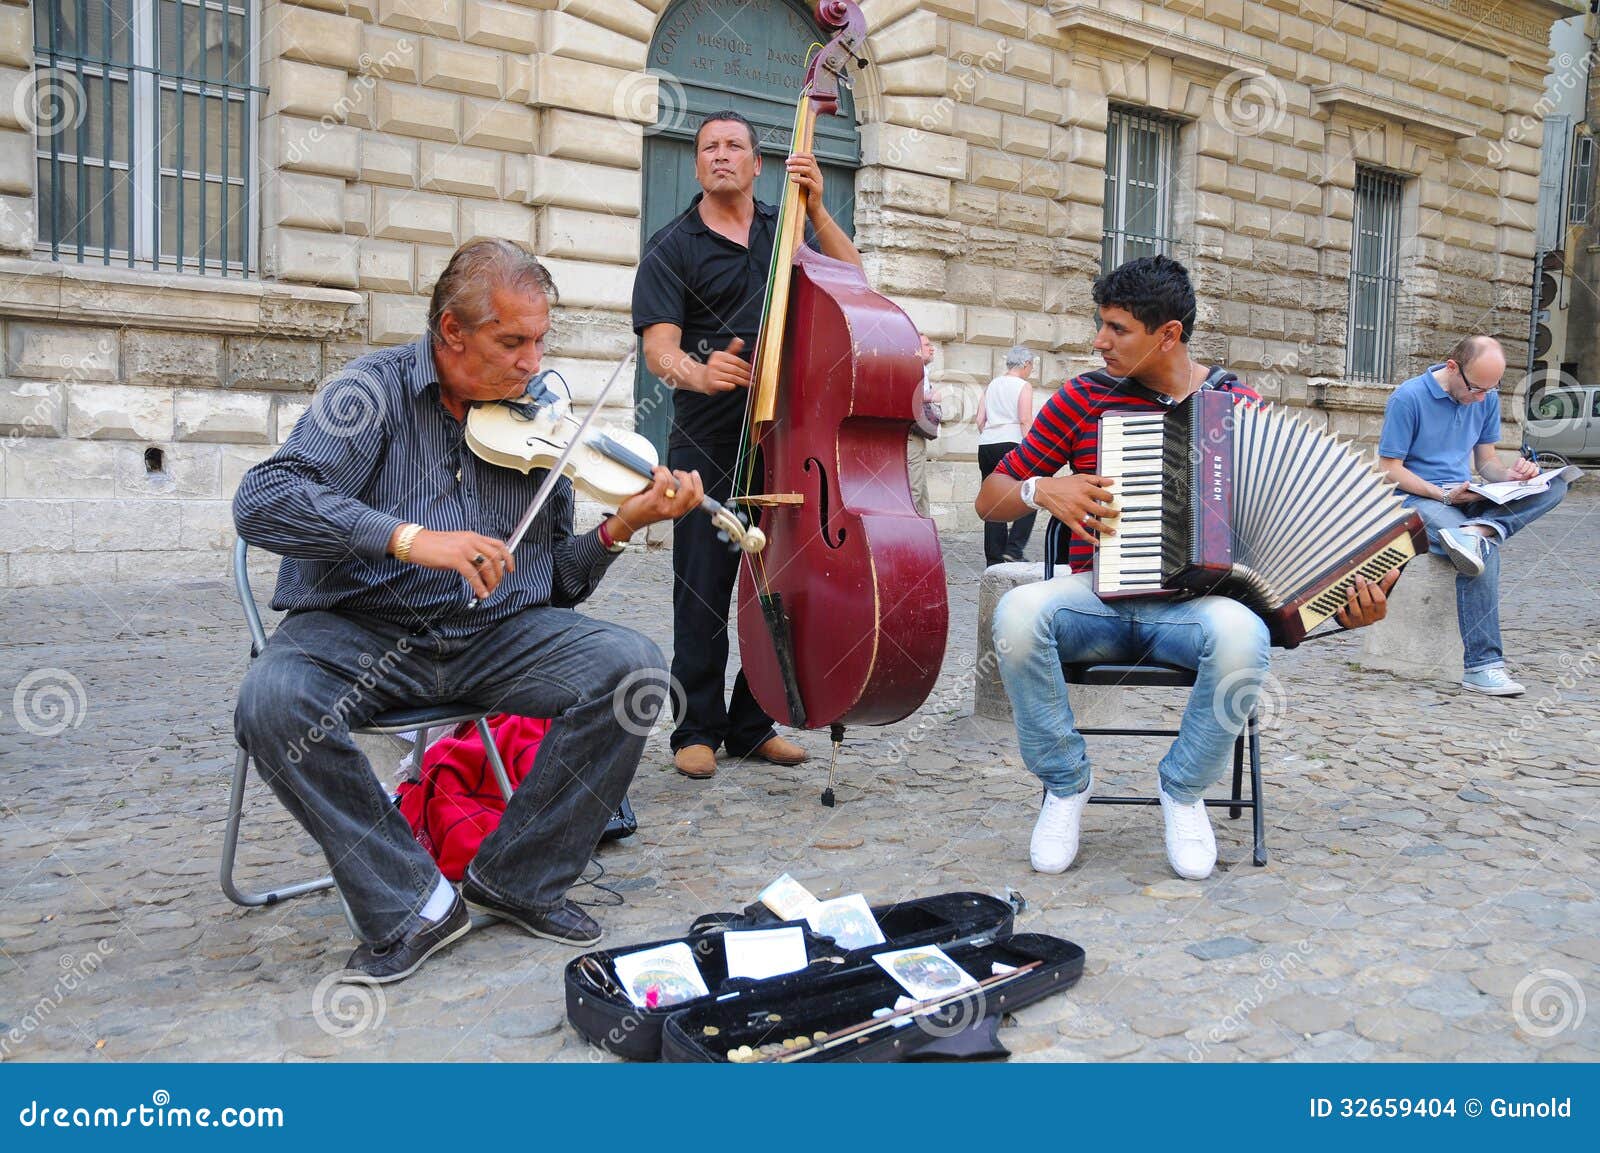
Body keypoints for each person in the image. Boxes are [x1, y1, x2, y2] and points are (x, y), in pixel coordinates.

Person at [233, 239, 704, 984]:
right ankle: (413, 903)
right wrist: (409, 539)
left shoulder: (535, 423)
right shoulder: (372, 393)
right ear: (452, 332)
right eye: (512, 341)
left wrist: (623, 526)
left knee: (633, 669)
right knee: (272, 702)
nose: (531, 362)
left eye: (540, 340)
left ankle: (517, 879)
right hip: (359, 629)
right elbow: (263, 500)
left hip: (494, 636)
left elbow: (557, 586)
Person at [976, 256, 1397, 881]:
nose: (1099, 341)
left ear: (1167, 334)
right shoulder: (1083, 397)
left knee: (1244, 635)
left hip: (1193, 612)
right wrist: (1044, 492)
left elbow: (1279, 529)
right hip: (1095, 600)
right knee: (1015, 614)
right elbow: (990, 496)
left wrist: (1350, 605)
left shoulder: (1237, 405)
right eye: (1101, 325)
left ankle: (1184, 791)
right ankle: (1066, 784)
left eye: (1117, 329)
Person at [632, 109, 863, 780]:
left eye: (734, 145)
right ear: (697, 164)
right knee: (702, 584)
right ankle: (694, 727)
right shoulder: (671, 245)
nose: (721, 155)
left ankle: (752, 719)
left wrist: (817, 209)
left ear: (758, 164)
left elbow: (854, 282)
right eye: (709, 147)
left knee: (781, 577)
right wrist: (700, 373)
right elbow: (659, 350)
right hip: (705, 435)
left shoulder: (784, 228)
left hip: (785, 432)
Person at [1377, 335, 1569, 695]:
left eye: (1491, 389)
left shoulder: (1486, 396)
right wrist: (1445, 495)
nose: (1483, 397)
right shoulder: (1408, 397)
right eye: (1477, 389)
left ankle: (1482, 527)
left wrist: (1512, 477)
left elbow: (1487, 462)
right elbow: (1389, 469)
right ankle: (1482, 666)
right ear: (1453, 368)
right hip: (1416, 500)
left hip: (1467, 497)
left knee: (1555, 486)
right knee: (1482, 553)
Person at [977, 345, 1039, 565]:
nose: (1031, 370)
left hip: (987, 444)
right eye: (1031, 365)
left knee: (993, 498)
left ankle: (994, 558)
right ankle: (1013, 549)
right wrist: (1031, 449)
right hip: (1012, 443)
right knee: (1028, 494)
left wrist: (990, 436)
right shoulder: (1024, 386)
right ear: (1025, 364)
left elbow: (979, 420)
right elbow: (1024, 419)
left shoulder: (992, 384)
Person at [906, 332, 941, 518]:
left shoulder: (922, 371)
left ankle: (924, 531)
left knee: (921, 490)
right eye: (927, 344)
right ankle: (907, 533)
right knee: (914, 487)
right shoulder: (913, 369)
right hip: (912, 433)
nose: (932, 347)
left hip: (917, 433)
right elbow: (906, 396)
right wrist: (930, 397)